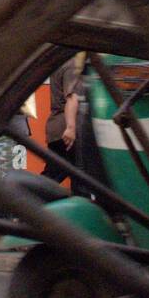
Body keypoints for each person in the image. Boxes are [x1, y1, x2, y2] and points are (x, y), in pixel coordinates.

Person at [42, 52, 90, 196]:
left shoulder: (61, 65)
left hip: (57, 127)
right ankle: (24, 201)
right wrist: (70, 128)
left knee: (59, 172)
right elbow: (71, 99)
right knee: (63, 173)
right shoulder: (71, 66)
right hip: (66, 129)